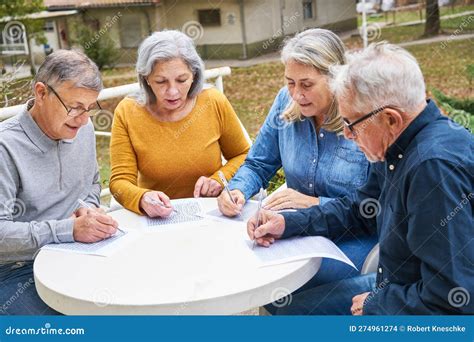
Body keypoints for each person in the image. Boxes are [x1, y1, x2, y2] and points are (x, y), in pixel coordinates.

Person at [247, 42, 474, 315]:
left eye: (351, 124)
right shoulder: (398, 145)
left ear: (390, 119)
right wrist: (288, 223)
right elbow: (360, 209)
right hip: (399, 285)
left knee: (289, 316)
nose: (347, 135)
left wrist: (378, 304)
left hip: (414, 304)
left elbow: (453, 297)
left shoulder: (433, 169)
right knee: (283, 306)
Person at [217, 29, 376, 299]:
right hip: (297, 232)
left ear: (335, 78)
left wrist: (314, 203)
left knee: (285, 288)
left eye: (306, 84)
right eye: (290, 82)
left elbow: (378, 206)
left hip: (353, 237)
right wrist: (237, 191)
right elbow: (258, 163)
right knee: (250, 267)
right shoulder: (285, 102)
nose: (296, 94)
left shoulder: (362, 117)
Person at [0, 50, 119, 315]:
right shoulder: (5, 147)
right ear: (41, 93)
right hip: (16, 271)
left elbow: (90, 183)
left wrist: (87, 208)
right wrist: (69, 230)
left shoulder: (83, 129)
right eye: (75, 107)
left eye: (89, 108)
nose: (83, 119)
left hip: (75, 254)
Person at [110, 30, 250, 218]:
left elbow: (243, 154)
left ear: (194, 74)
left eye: (182, 80)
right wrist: (142, 198)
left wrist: (219, 179)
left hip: (212, 214)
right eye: (161, 81)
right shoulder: (127, 112)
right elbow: (120, 181)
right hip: (158, 220)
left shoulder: (213, 101)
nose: (173, 91)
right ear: (146, 79)